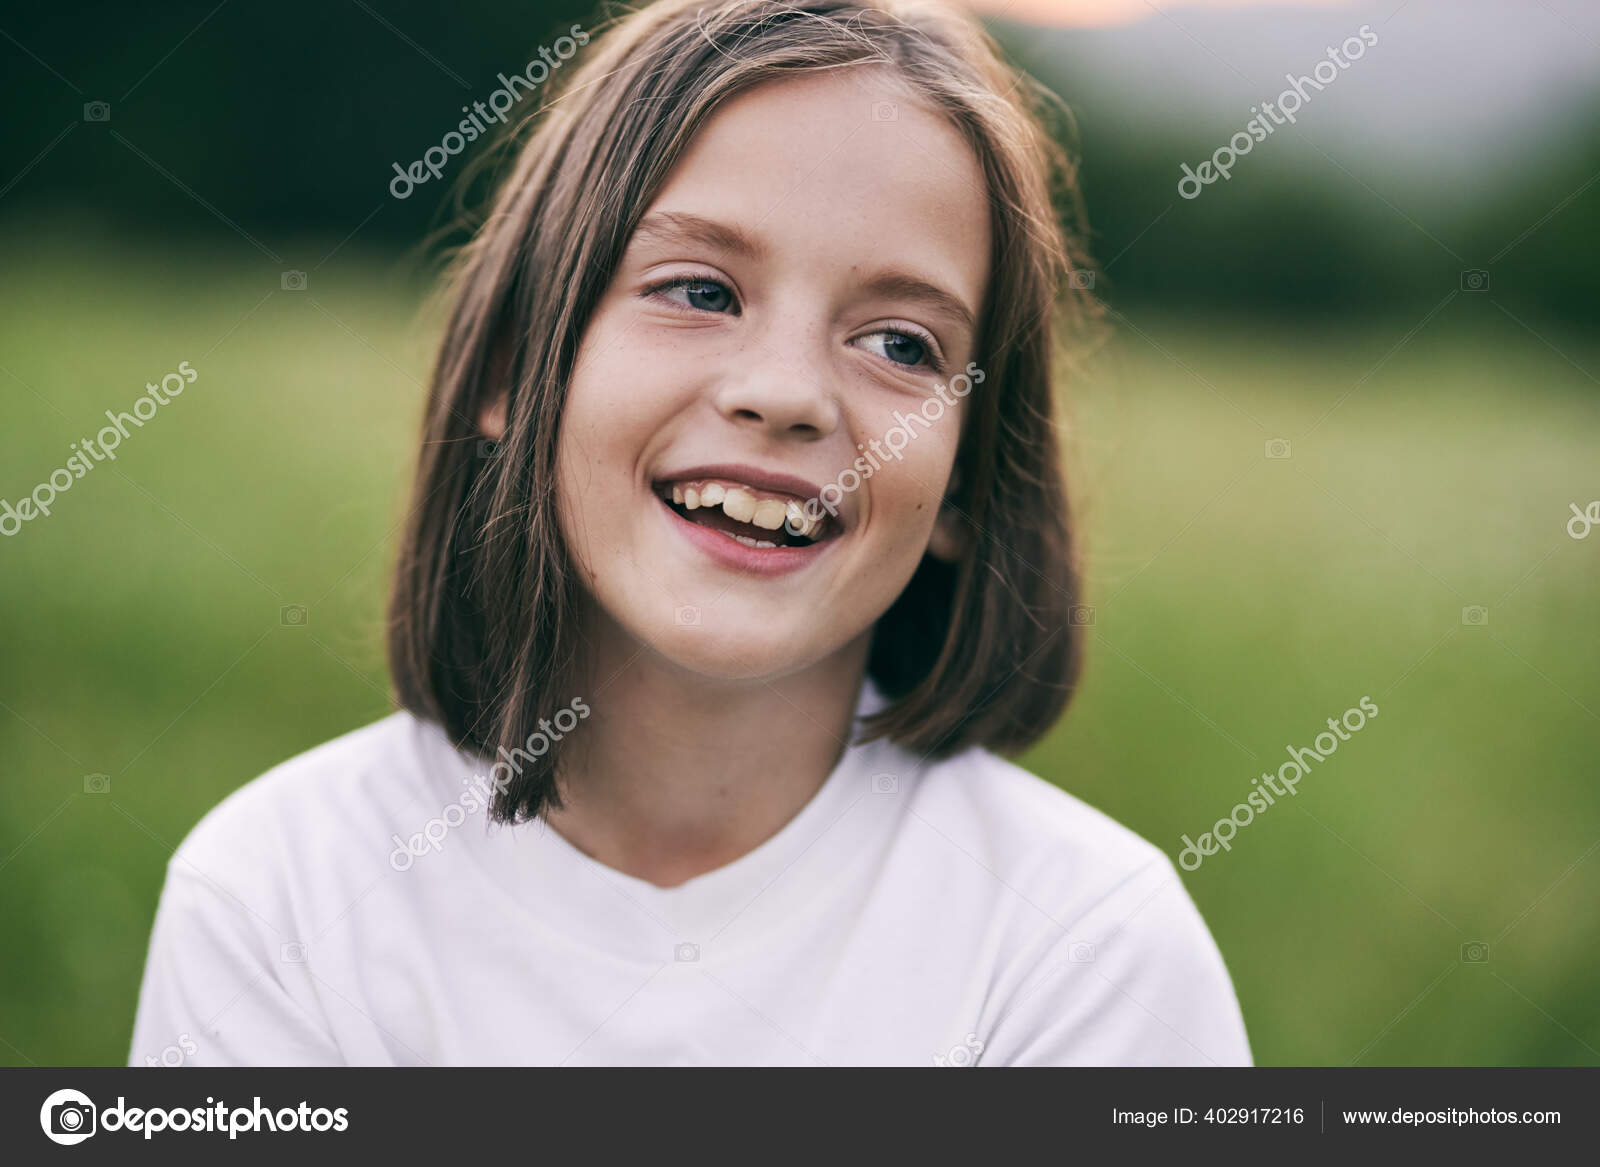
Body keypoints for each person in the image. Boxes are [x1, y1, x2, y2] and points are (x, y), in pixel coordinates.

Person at [130, 0, 1250, 1067]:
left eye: (902, 344)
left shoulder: (1083, 951)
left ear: (964, 485)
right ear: (518, 366)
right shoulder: (281, 894)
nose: (786, 394)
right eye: (701, 291)